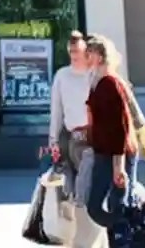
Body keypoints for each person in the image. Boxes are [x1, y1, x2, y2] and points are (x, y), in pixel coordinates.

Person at [83, 34, 137, 233]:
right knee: (98, 207)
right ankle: (127, 231)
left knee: (115, 206)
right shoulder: (97, 82)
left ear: (98, 55)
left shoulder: (110, 84)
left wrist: (118, 165)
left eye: (88, 53)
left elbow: (119, 127)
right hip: (103, 152)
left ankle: (134, 232)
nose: (85, 57)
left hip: (116, 154)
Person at [48, 32, 92, 194]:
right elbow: (57, 110)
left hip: (91, 136)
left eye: (77, 51)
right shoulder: (62, 75)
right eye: (71, 51)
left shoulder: (93, 75)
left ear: (86, 52)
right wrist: (53, 139)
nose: (74, 55)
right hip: (70, 134)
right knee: (69, 182)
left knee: (87, 181)